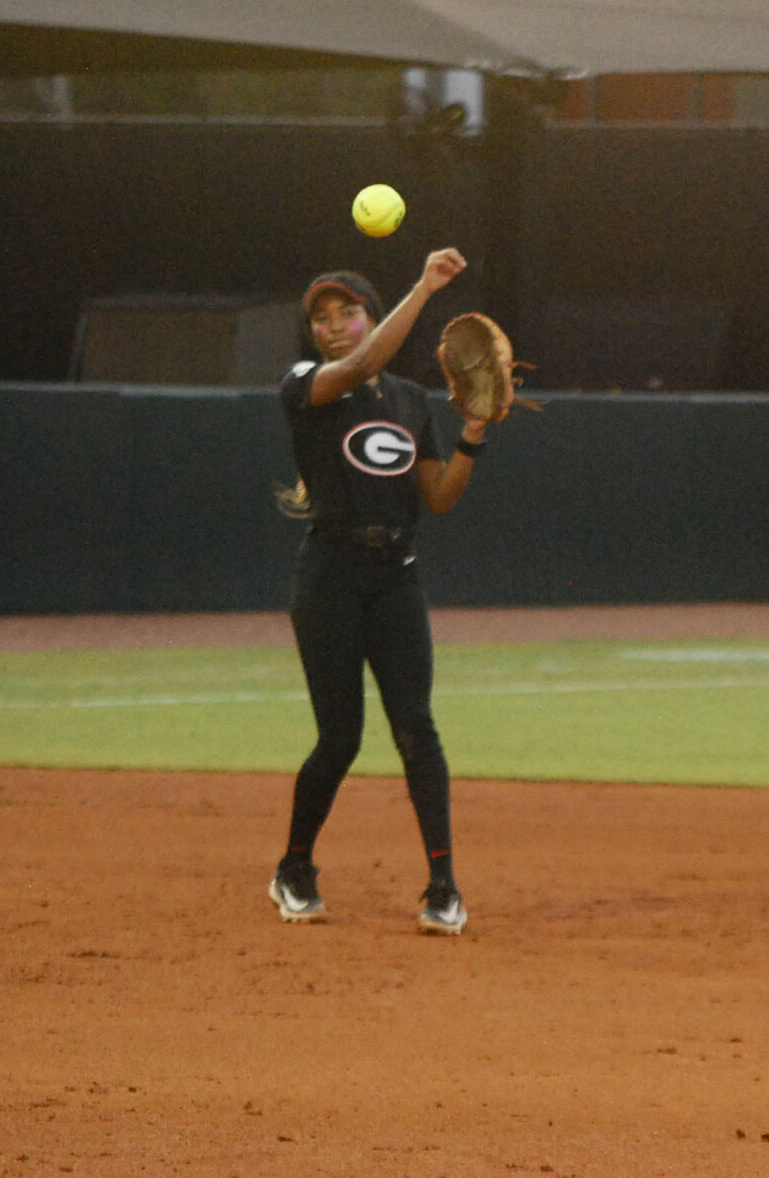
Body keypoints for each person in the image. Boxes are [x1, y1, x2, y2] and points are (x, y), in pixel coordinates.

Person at [268, 247, 488, 936]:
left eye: (348, 312)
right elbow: (360, 367)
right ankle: (294, 868)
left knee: (415, 729)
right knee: (340, 739)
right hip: (329, 577)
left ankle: (443, 885)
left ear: (369, 315)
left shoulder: (411, 401)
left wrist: (473, 436)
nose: (334, 326)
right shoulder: (305, 383)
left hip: (396, 577)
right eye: (323, 319)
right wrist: (425, 287)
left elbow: (440, 497)